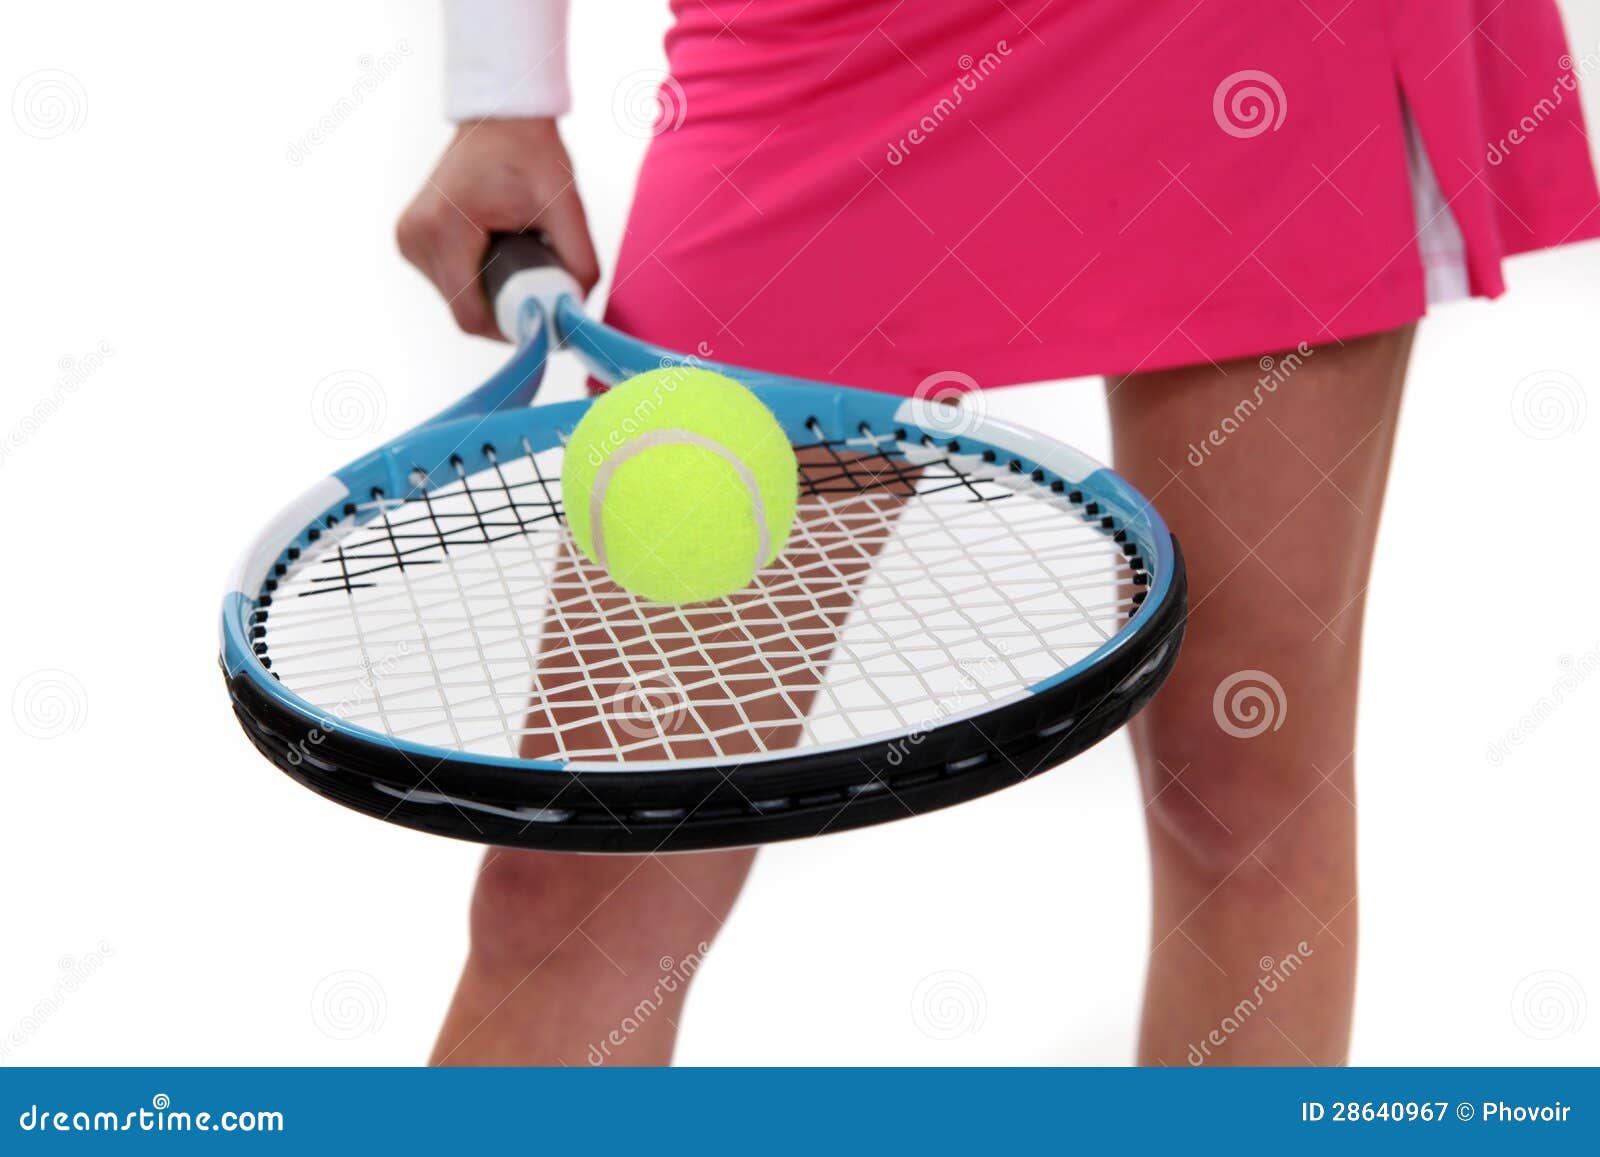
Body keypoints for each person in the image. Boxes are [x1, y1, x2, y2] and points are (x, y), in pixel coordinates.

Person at [396, 0, 1600, 1065]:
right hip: (824, 43)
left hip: (1248, 34)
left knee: (1240, 788)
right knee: (586, 875)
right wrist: (501, 93)